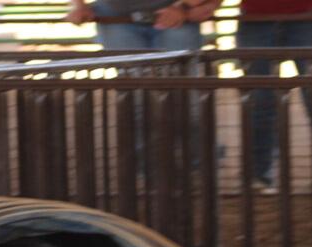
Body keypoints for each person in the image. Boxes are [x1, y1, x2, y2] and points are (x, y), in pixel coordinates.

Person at [236, 0, 312, 193]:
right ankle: (258, 174)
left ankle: (258, 174)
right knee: (259, 99)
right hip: (256, 17)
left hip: (303, 16)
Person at [65, 0, 218, 51]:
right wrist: (78, 5)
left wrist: (183, 7)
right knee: (131, 81)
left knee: (179, 80)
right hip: (116, 14)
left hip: (176, 14)